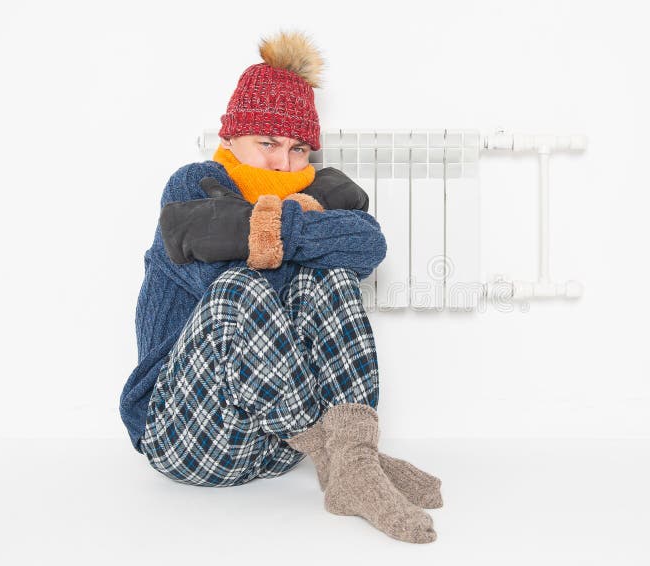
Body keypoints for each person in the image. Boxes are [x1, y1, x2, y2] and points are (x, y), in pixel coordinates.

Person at [118, 29, 442, 544]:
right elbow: (229, 285)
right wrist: (305, 225)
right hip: (183, 431)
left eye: (296, 150)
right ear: (230, 139)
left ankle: (352, 459)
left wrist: (274, 230)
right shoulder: (192, 186)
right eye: (265, 143)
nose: (281, 164)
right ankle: (340, 452)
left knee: (331, 276)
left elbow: (367, 247)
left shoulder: (323, 186)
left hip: (279, 444)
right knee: (243, 285)